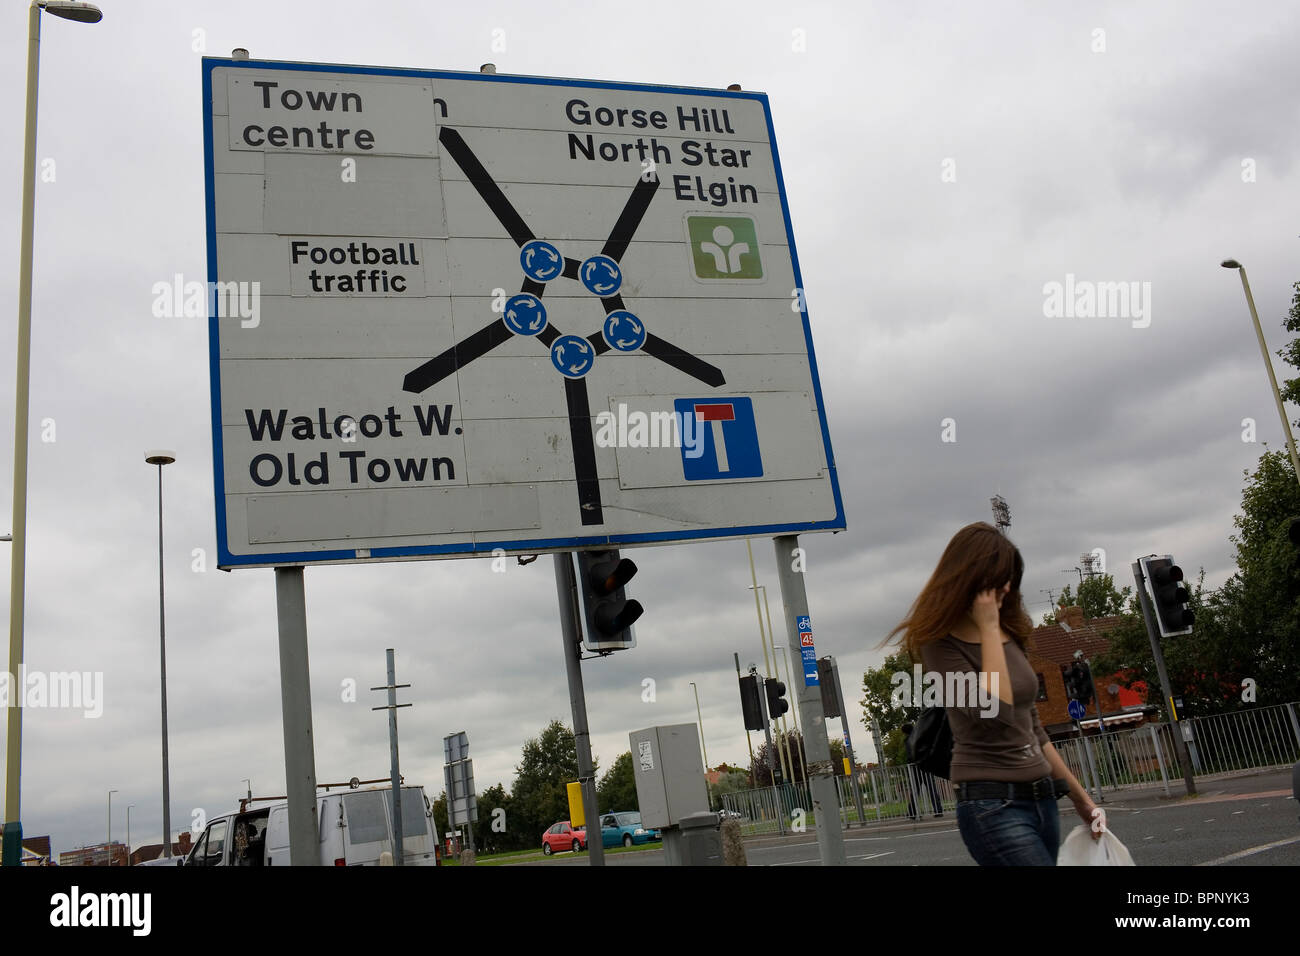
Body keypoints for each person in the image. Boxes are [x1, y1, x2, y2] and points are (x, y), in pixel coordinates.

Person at [887, 522, 1102, 865]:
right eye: (997, 581)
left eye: (1010, 581)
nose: (1005, 589)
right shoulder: (940, 644)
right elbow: (995, 711)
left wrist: (1081, 800)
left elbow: (1033, 728)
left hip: (1042, 799)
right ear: (969, 580)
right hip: (992, 805)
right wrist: (988, 627)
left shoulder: (1008, 633)